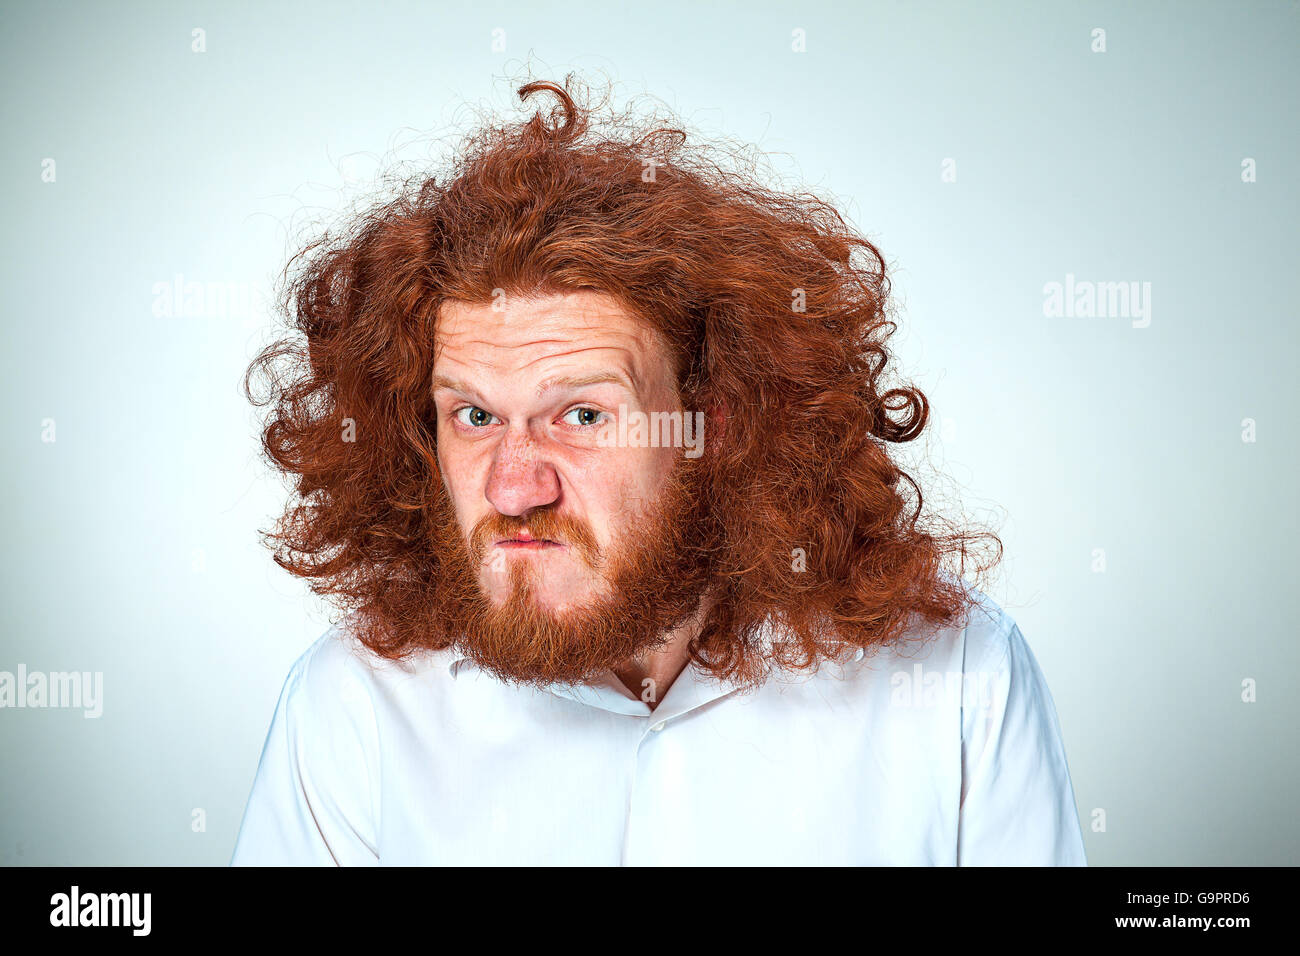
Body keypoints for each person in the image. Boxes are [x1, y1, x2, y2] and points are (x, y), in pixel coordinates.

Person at [231, 77, 1087, 866]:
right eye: (477, 417)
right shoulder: (354, 705)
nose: (514, 487)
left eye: (583, 416)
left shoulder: (956, 679)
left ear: (712, 426)